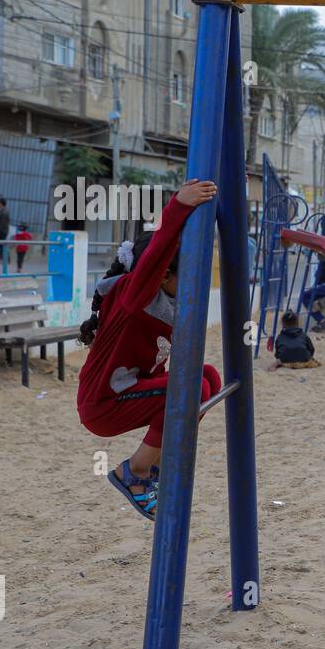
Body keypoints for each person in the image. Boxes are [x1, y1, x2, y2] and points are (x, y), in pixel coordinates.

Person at [76, 179, 221, 521]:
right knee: (193, 387)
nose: (192, 282)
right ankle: (136, 471)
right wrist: (177, 207)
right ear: (162, 276)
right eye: (185, 274)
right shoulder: (133, 296)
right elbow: (158, 253)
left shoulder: (167, 302)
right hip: (104, 403)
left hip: (128, 392)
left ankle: (155, 463)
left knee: (209, 378)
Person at [0, 197, 11, 266]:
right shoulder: (3, 211)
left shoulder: (4, 212)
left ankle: (6, 260)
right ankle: (6, 259)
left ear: (1, 203)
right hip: (3, 231)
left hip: (2, 231)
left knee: (3, 246)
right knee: (2, 246)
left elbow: (3, 224)